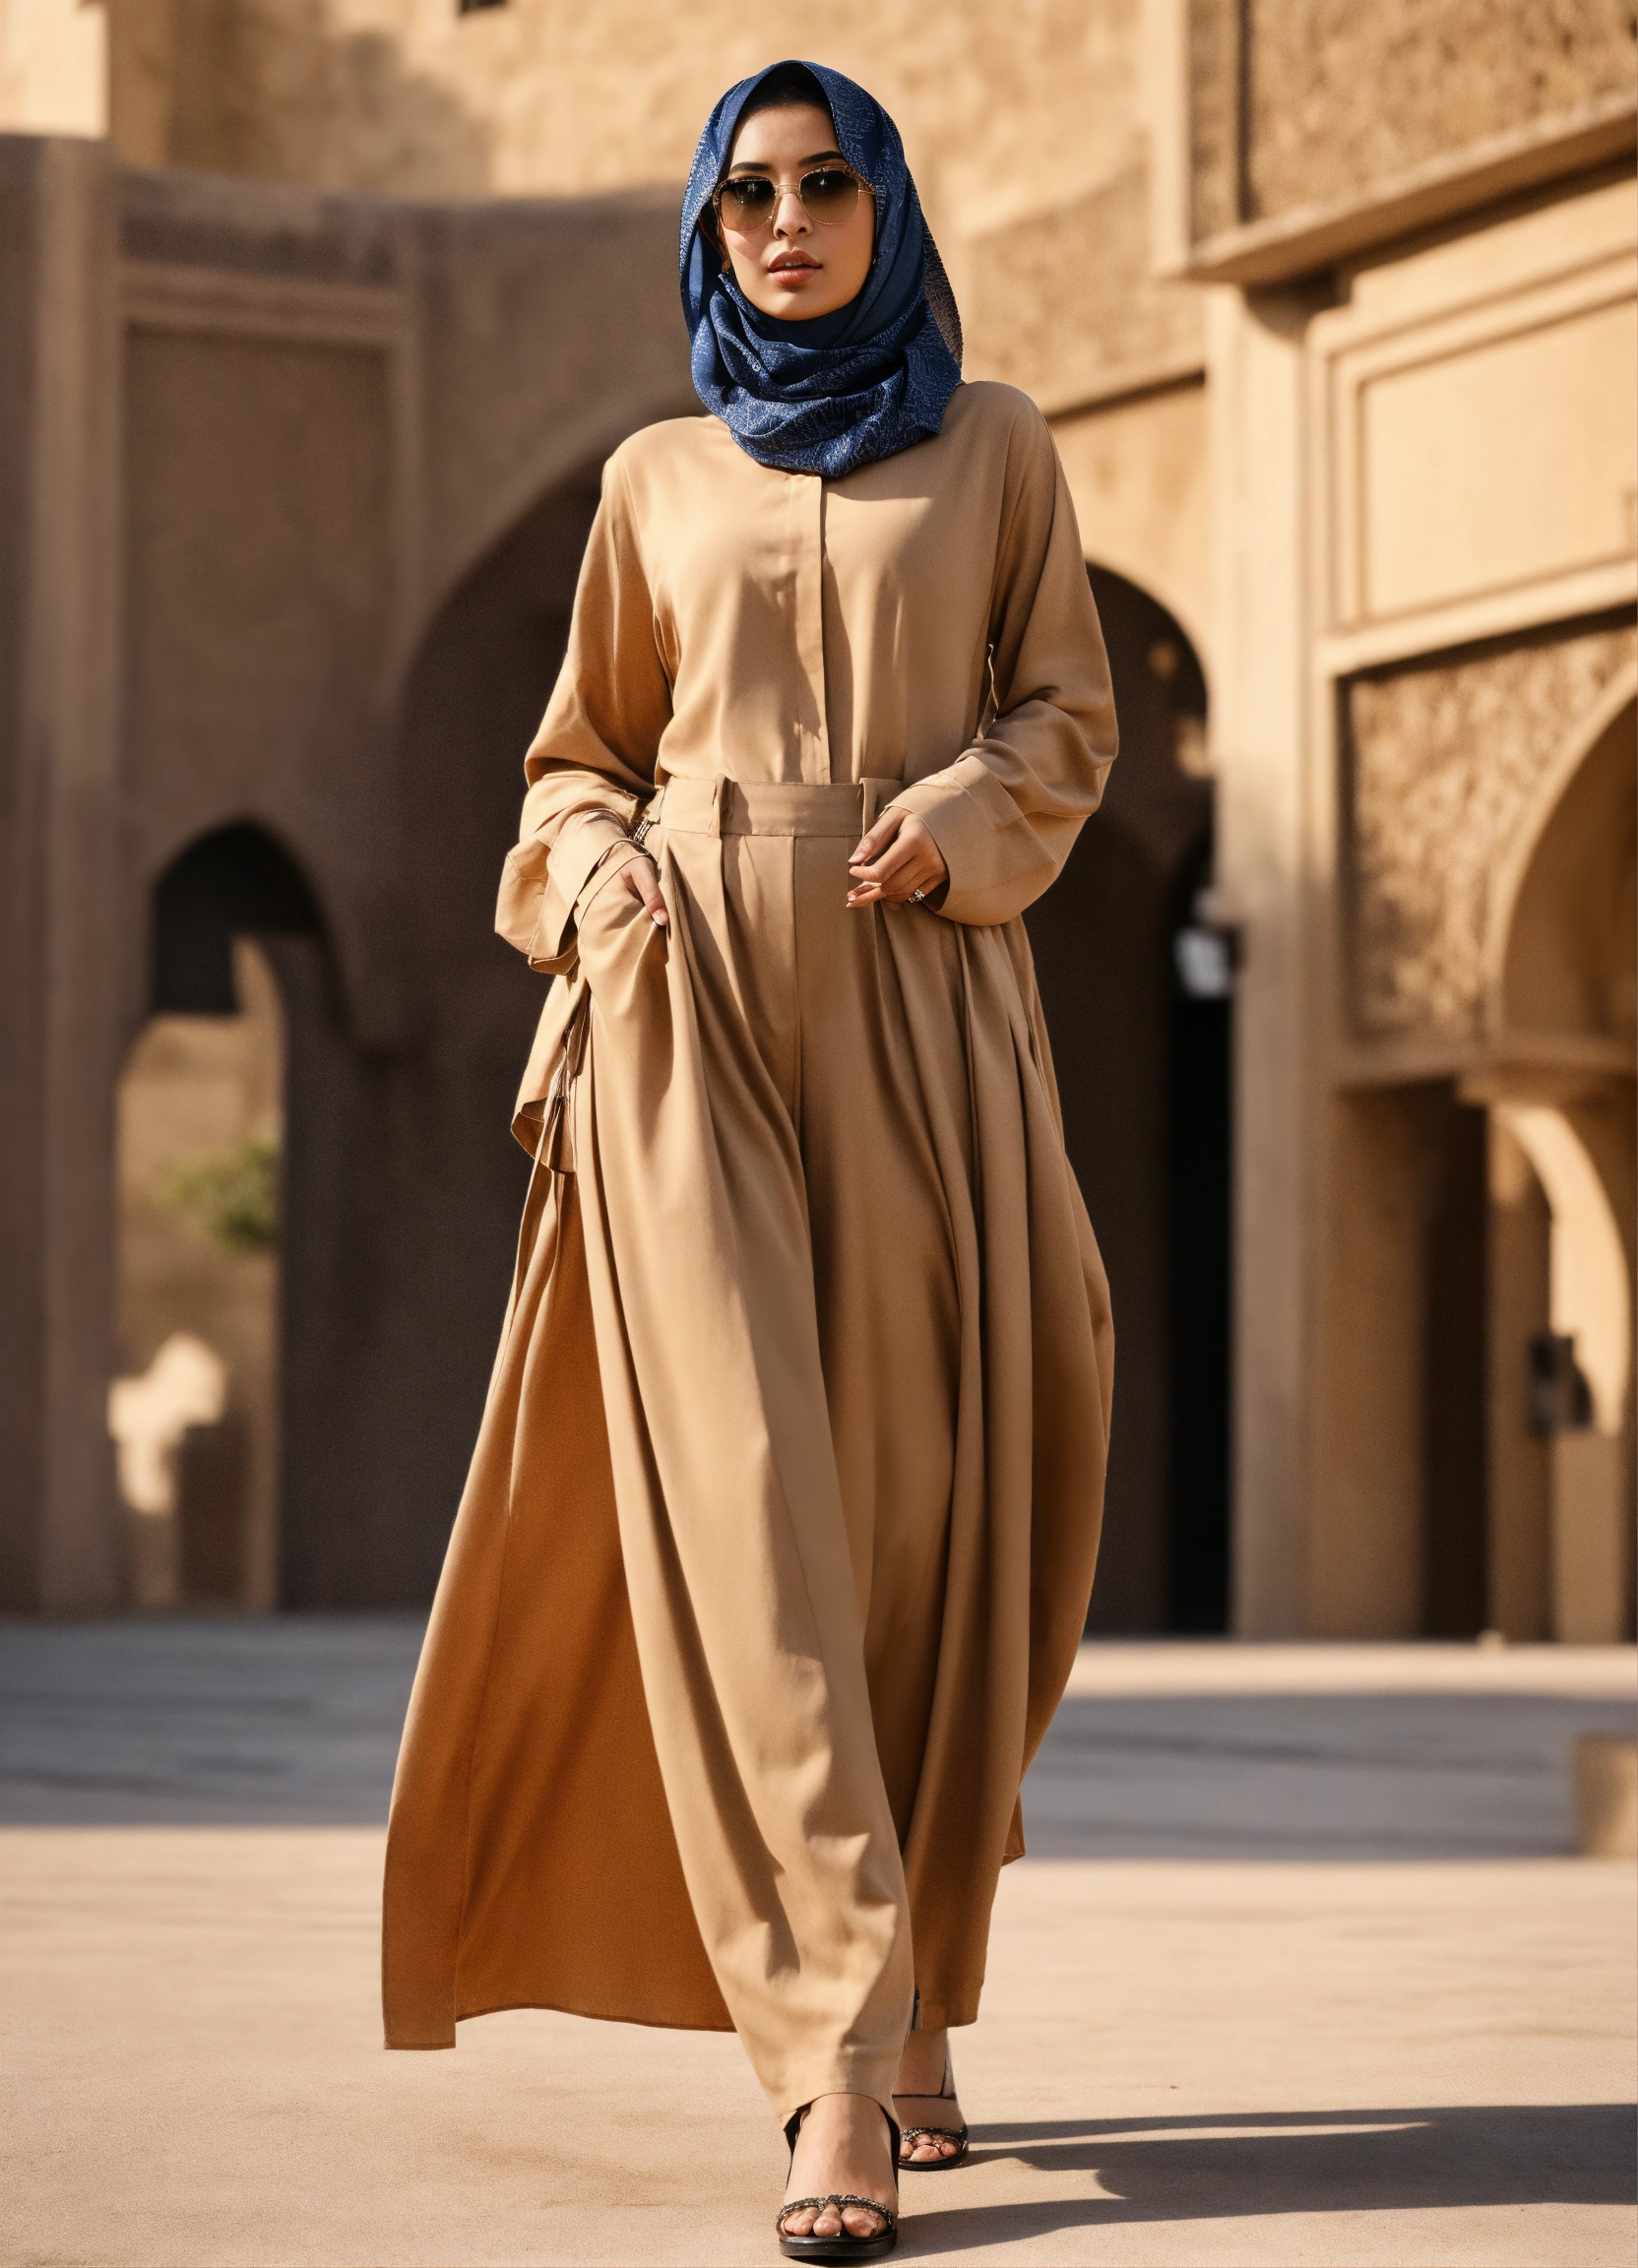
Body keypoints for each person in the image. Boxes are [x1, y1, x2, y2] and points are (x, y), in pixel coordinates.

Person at [382, 59, 1116, 2263]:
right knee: (749, 1522)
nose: (784, 224)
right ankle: (831, 2075)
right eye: (745, 198)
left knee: (916, 1523)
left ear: (885, 206)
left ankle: (913, 1984)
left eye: (823, 186)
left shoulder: (996, 449)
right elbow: (574, 760)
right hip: (682, 1014)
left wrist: (966, 814)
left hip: (919, 997)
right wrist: (594, 869)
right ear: (709, 232)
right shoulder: (653, 478)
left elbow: (1065, 715)